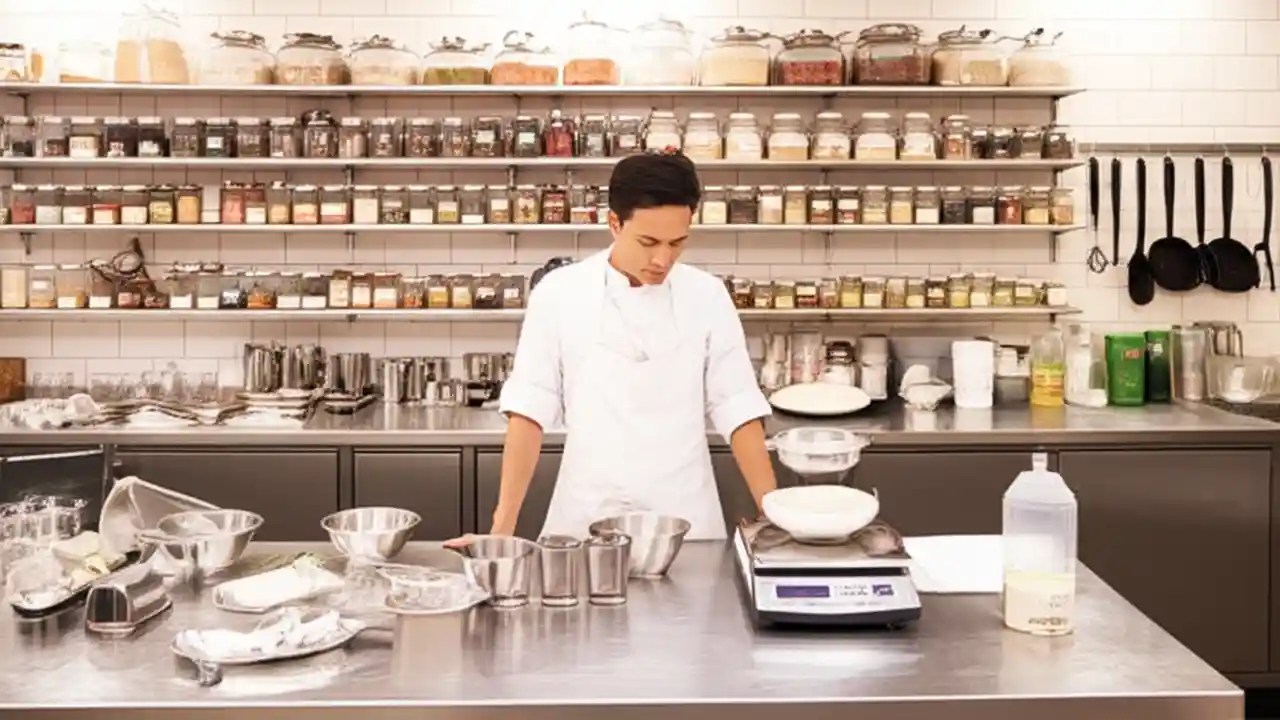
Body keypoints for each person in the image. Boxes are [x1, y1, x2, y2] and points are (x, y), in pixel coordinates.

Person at [482, 151, 777, 541]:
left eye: (677, 243)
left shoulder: (707, 295)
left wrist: (773, 512)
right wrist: (502, 529)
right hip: (585, 518)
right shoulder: (559, 292)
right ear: (614, 223)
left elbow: (736, 405)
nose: (662, 259)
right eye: (648, 242)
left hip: (686, 522)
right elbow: (529, 410)